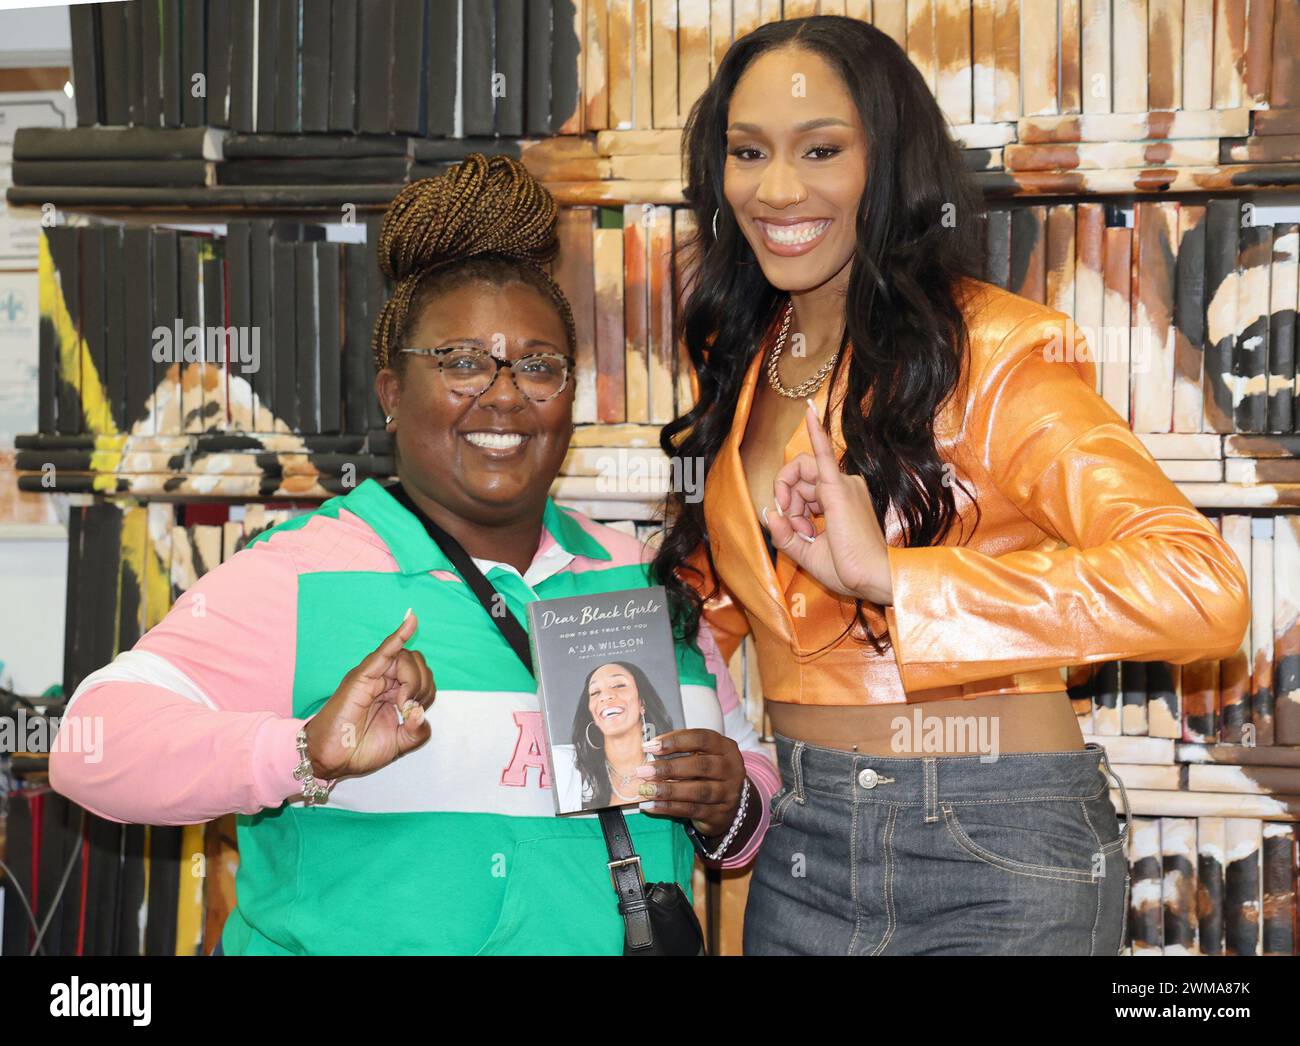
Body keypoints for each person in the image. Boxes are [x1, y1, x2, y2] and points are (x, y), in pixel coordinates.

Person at [49, 153, 779, 956]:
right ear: (393, 394)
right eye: (462, 362)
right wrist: (300, 752)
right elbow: (89, 745)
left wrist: (731, 803)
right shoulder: (303, 572)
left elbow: (747, 780)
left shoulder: (639, 577)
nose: (504, 394)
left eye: (538, 366)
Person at [651, 15, 1252, 955]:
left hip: (994, 837)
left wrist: (899, 579)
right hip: (801, 839)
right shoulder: (745, 355)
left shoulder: (998, 352)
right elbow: (734, 602)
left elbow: (1199, 589)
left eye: (821, 150)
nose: (776, 189)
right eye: (746, 152)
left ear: (888, 166)